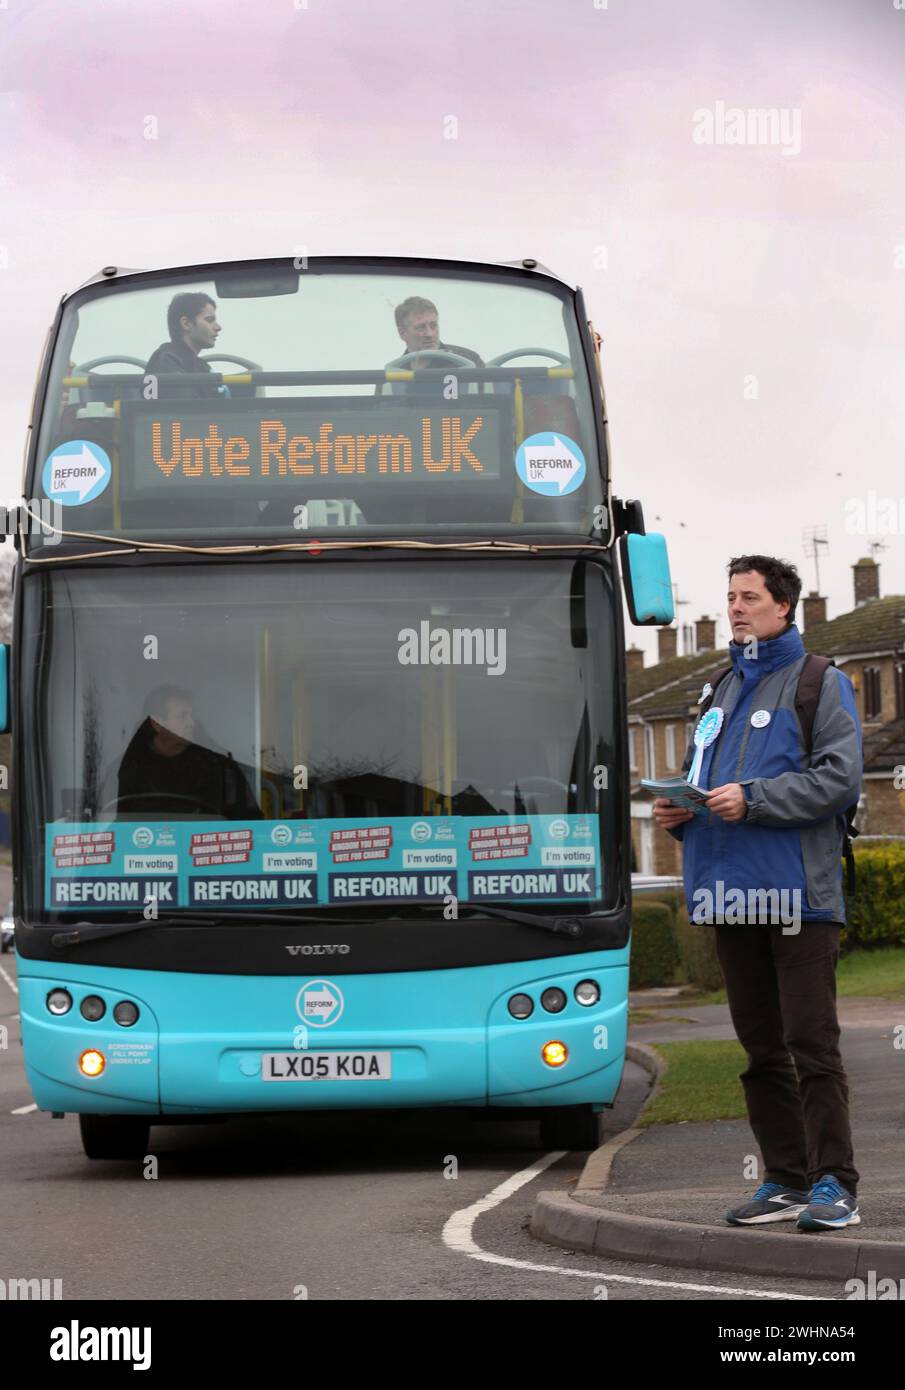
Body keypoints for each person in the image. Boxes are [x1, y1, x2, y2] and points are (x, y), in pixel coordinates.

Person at [652, 555, 863, 1232]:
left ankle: (835, 1185)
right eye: (729, 597)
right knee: (760, 1050)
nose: (735, 608)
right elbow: (705, 778)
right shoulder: (718, 690)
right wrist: (680, 812)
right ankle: (784, 1180)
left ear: (782, 608)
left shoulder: (818, 682)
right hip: (728, 895)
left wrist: (755, 798)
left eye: (747, 597)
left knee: (810, 1043)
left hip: (798, 895)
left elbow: (839, 781)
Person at [117, 686, 262, 819]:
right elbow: (114, 827)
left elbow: (251, 824)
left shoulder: (219, 766)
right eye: (182, 716)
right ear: (157, 723)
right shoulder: (129, 767)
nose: (191, 723)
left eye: (191, 715)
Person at [145, 292, 224, 400]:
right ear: (186, 323)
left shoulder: (200, 366)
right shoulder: (167, 361)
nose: (218, 327)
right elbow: (191, 411)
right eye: (209, 320)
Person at [392, 296, 484, 368]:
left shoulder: (470, 362)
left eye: (433, 325)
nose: (430, 334)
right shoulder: (390, 375)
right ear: (402, 333)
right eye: (420, 327)